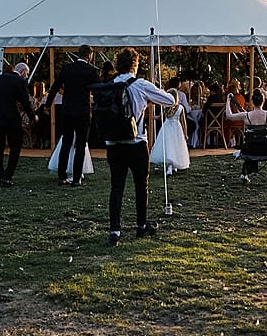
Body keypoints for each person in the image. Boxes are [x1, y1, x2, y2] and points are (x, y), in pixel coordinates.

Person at [105, 47, 175, 247]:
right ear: (135, 65)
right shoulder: (141, 84)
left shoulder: (109, 85)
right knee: (140, 185)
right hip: (136, 142)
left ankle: (114, 230)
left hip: (113, 143)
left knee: (116, 187)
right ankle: (141, 224)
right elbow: (168, 100)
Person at [44, 44, 100, 187]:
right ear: (89, 55)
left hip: (67, 110)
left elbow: (55, 87)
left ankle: (62, 176)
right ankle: (76, 178)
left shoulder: (67, 68)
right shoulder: (92, 71)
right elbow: (99, 91)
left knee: (66, 142)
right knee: (81, 145)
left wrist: (47, 104)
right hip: (82, 111)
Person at [0, 62, 36, 188]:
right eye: (27, 74)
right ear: (22, 71)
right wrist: (33, 116)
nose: (27, 76)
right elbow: (25, 102)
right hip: (12, 119)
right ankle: (8, 176)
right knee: (15, 147)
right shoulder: (20, 82)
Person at [224, 89, 267, 184]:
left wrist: (228, 100)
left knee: (253, 143)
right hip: (265, 150)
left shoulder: (246, 115)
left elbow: (229, 115)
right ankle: (246, 172)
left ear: (252, 101)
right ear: (263, 101)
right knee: (259, 142)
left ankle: (244, 170)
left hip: (250, 150)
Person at [149, 89, 191, 175]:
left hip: (167, 126)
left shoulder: (166, 107)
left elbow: (161, 117)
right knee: (175, 146)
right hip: (176, 127)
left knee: (168, 145)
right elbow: (183, 122)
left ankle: (171, 166)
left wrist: (154, 117)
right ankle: (171, 166)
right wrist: (185, 133)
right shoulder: (180, 108)